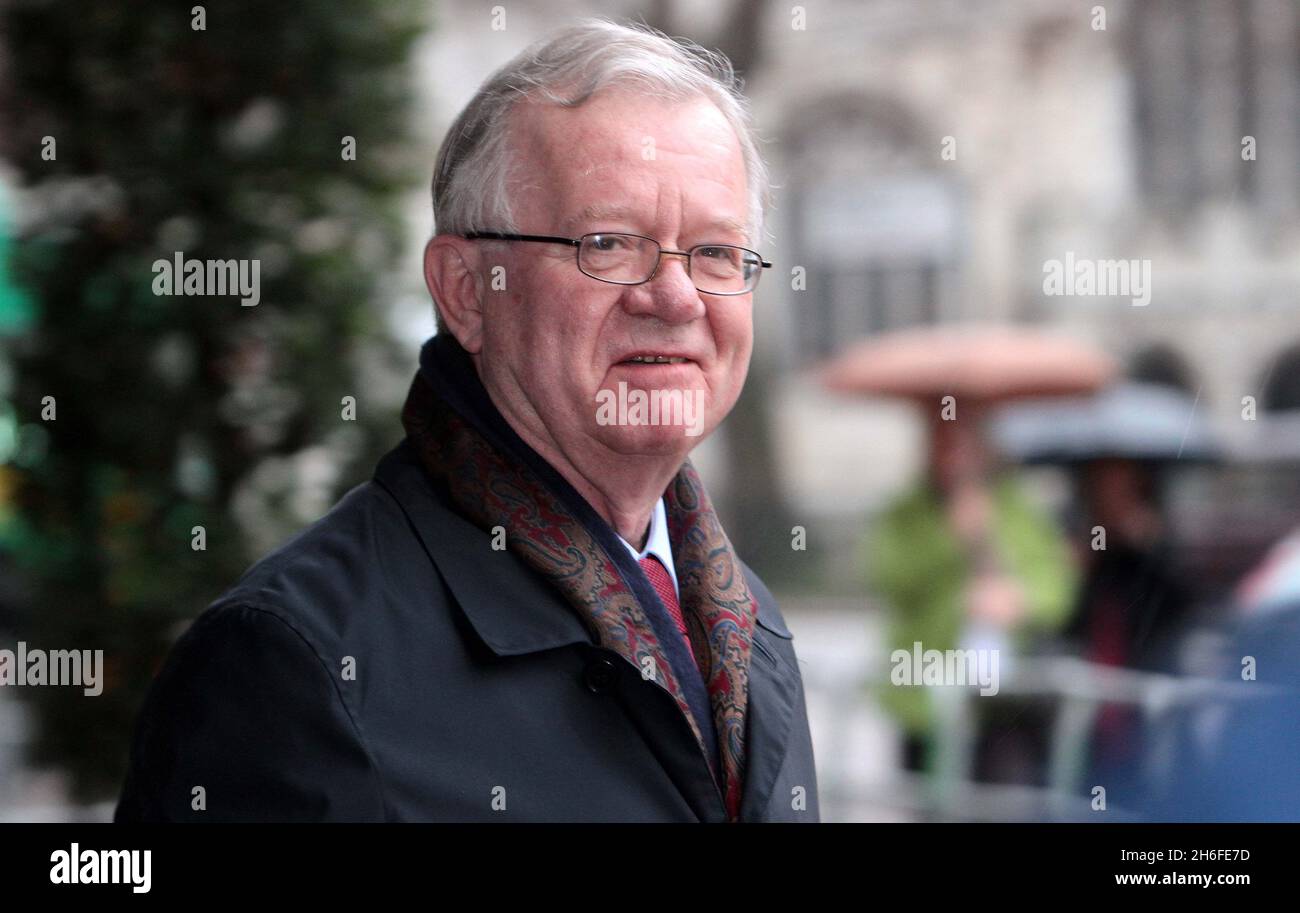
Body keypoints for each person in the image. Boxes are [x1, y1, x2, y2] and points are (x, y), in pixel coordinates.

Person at [115, 19, 819, 823]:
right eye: (610, 243)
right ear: (463, 288)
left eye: (717, 253)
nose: (676, 297)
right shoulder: (292, 664)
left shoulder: (750, 624)